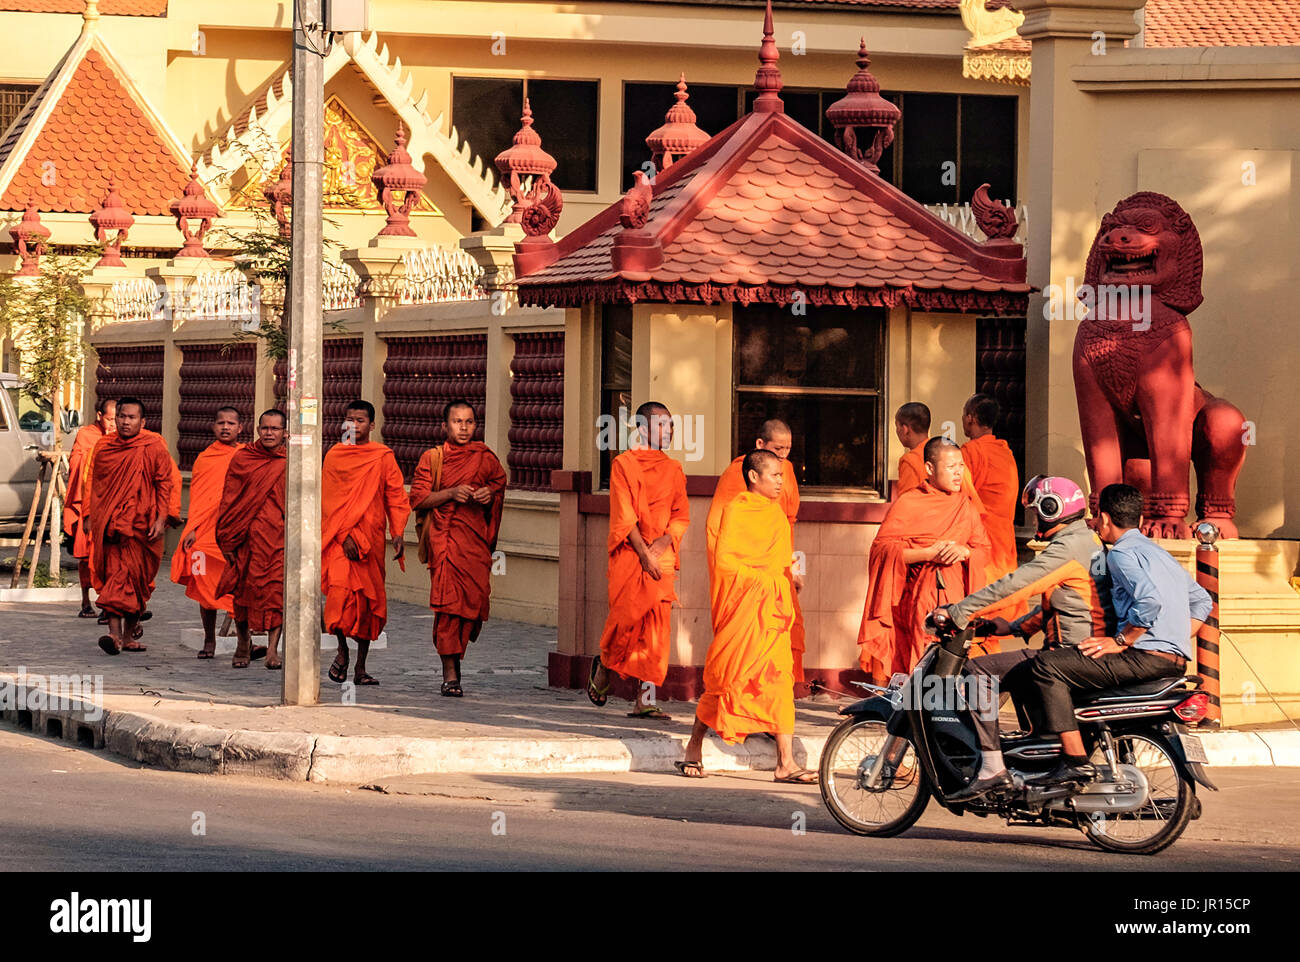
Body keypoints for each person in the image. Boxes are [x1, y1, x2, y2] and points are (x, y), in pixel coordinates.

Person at [937, 475, 1113, 801]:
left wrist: (960, 611)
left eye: (1036, 511)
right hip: (1084, 648)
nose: (1034, 519)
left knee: (979, 672)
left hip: (1069, 653)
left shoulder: (1067, 548)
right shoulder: (1086, 541)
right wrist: (1017, 627)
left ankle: (991, 768)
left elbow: (1017, 584)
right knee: (1011, 670)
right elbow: (1066, 599)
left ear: (1051, 509)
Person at [1026, 483, 1210, 786]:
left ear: (1104, 519)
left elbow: (1150, 601)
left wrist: (1121, 640)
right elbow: (1202, 600)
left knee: (1048, 666)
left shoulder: (1119, 554)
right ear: (1138, 520)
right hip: (1174, 660)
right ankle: (1118, 764)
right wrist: (1174, 637)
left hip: (1144, 657)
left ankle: (1073, 761)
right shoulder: (1158, 552)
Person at [678, 449, 816, 783]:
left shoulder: (777, 515)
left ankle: (785, 763)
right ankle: (693, 747)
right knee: (725, 678)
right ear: (754, 477)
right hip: (744, 609)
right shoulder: (736, 511)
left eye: (783, 476)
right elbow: (725, 562)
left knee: (780, 681)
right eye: (775, 476)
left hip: (771, 612)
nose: (782, 482)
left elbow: (784, 560)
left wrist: (792, 576)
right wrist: (765, 580)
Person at [857, 437, 991, 683]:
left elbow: (983, 548)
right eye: (951, 467)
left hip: (957, 599)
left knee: (954, 665)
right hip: (921, 598)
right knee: (924, 660)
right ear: (930, 469)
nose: (958, 473)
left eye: (961, 466)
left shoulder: (965, 505)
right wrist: (929, 554)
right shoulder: (910, 503)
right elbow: (882, 551)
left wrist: (966, 553)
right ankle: (920, 718)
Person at [587, 401, 689, 720]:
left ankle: (645, 700)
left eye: (671, 426)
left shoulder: (674, 469)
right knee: (624, 623)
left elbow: (681, 515)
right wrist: (644, 553)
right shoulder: (623, 465)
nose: (668, 431)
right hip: (631, 556)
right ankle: (604, 664)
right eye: (661, 425)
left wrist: (661, 543)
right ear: (643, 429)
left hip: (662, 558)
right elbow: (623, 515)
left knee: (656, 634)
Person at [408, 399, 508, 697]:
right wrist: (451, 493)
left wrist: (489, 495)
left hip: (475, 542)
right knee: (449, 608)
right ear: (445, 426)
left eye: (469, 422)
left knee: (474, 603)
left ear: (475, 426)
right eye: (457, 422)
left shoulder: (484, 457)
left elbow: (499, 486)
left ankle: (457, 656)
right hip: (446, 542)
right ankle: (450, 673)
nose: (463, 428)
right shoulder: (433, 458)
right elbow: (418, 499)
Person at [705, 418, 805, 683]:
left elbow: (789, 524)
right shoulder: (736, 473)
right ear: (761, 444)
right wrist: (734, 578)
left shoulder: (788, 472)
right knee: (744, 643)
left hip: (777, 573)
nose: (783, 456)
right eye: (778, 449)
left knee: (785, 631)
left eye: (787, 450)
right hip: (747, 577)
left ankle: (771, 703)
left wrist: (794, 569)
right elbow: (718, 531)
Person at [321, 400, 410, 687]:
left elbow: (395, 495)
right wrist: (343, 535)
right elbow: (327, 501)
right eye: (349, 420)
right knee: (338, 596)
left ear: (372, 425)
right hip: (339, 540)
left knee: (367, 603)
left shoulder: (382, 456)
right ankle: (342, 650)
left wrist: (397, 532)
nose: (353, 425)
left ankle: (360, 666)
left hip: (370, 540)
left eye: (360, 420)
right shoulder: (335, 456)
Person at [86, 396, 173, 655]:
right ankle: (113, 635)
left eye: (131, 417)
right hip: (112, 525)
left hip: (143, 525)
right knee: (115, 578)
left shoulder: (153, 445)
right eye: (122, 416)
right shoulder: (104, 447)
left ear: (142, 421)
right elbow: (96, 486)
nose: (125, 422)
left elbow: (164, 484)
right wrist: (92, 517)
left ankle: (128, 636)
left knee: (138, 580)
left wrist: (160, 518)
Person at [215, 409, 288, 670]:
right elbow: (230, 499)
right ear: (258, 430)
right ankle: (243, 643)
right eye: (265, 428)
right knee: (244, 594)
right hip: (245, 538)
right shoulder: (244, 459)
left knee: (276, 594)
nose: (269, 433)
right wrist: (227, 538)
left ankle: (272, 650)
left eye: (275, 429)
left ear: (284, 433)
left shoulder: (289, 461)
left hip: (278, 540)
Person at [170, 406, 243, 660]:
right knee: (204, 585)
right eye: (221, 422)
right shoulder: (205, 458)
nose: (225, 427)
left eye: (231, 423)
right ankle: (209, 638)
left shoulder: (246, 456)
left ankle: (244, 642)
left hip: (236, 531)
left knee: (240, 585)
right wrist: (192, 528)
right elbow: (201, 499)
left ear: (240, 428)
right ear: (213, 427)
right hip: (206, 534)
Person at [960, 393, 1021, 584]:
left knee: (981, 598)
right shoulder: (1005, 452)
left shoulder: (970, 452)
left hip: (982, 539)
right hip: (1005, 539)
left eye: (964, 415)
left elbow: (963, 497)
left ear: (970, 418)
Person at [64, 398, 115, 617]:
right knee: (86, 556)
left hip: (111, 505)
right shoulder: (87, 435)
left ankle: (109, 603)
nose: (114, 424)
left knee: (110, 556)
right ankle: (86, 601)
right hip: (88, 502)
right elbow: (76, 464)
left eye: (117, 419)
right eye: (110, 419)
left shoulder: (124, 439)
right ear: (99, 416)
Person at [893, 402, 931, 496]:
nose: (897, 431)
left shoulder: (910, 462)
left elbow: (908, 504)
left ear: (905, 429)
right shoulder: (946, 454)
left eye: (897, 427)